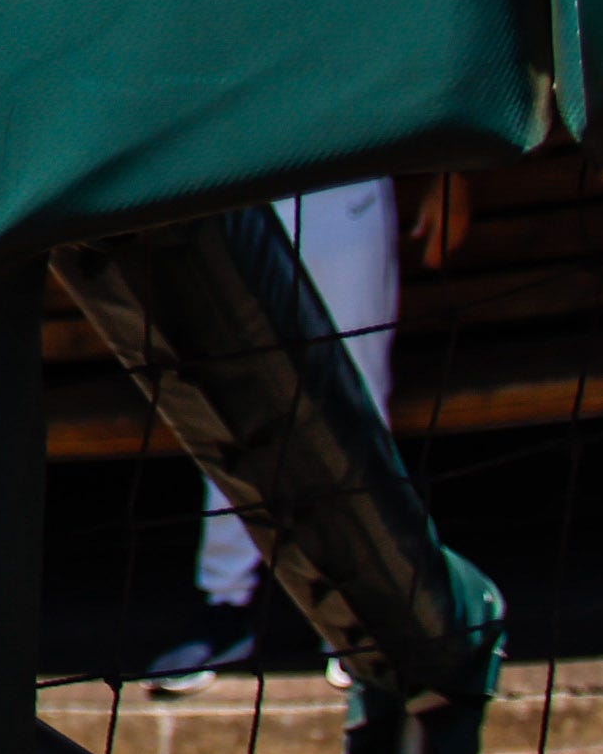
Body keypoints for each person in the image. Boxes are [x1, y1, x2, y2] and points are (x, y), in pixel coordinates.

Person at [144, 184, 406, 691]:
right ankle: (225, 603)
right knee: (228, 392)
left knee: (356, 393)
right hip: (241, 180)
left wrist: (448, 177)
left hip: (346, 174)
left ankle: (364, 615)